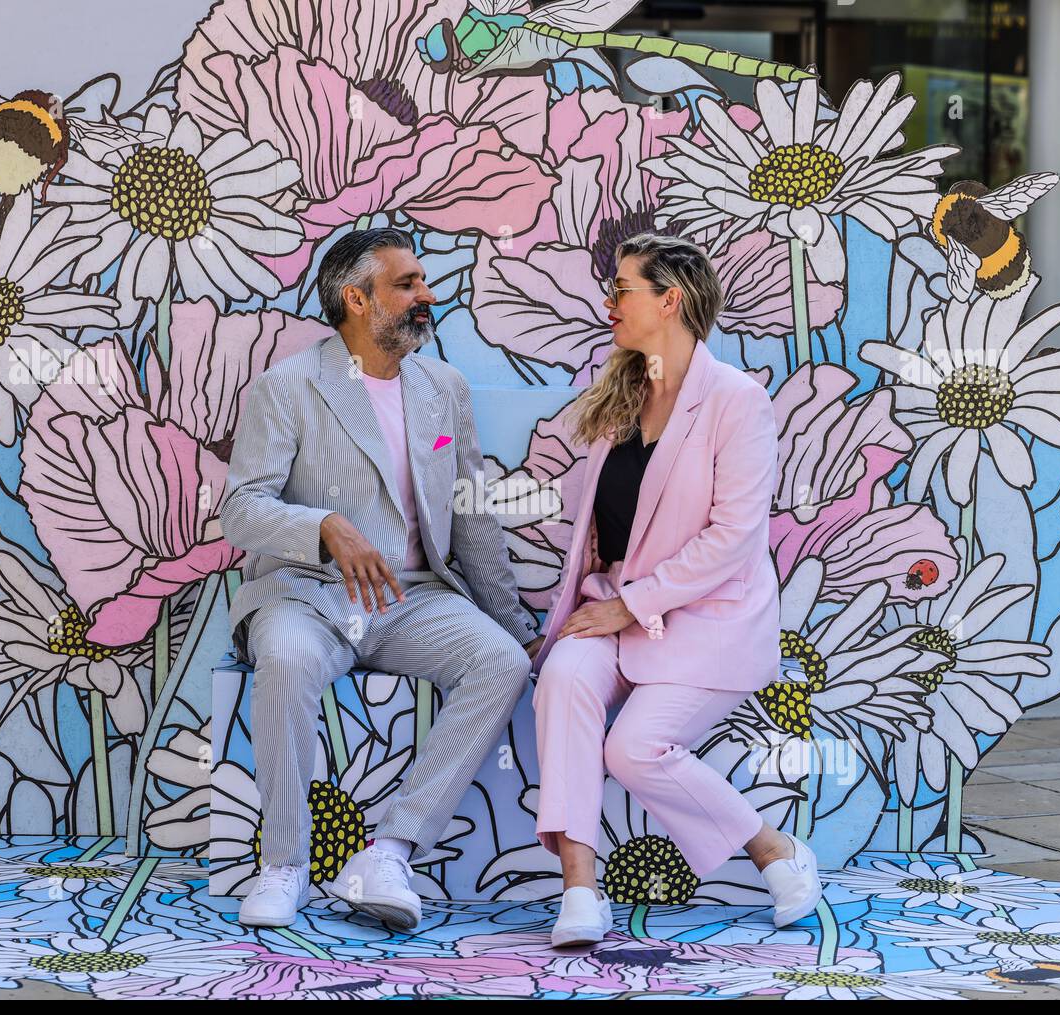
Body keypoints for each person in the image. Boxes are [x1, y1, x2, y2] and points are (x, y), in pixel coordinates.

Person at [219, 228, 542, 930]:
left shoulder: (444, 388)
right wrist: (325, 528)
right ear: (356, 299)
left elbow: (471, 517)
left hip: (412, 597)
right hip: (307, 595)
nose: (426, 296)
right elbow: (241, 510)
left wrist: (517, 626)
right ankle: (284, 864)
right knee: (285, 660)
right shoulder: (289, 387)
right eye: (407, 284)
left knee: (501, 662)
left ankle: (389, 852)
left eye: (422, 282)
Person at [529, 232, 823, 947]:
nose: (609, 303)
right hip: (614, 609)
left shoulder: (736, 401)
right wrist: (598, 603)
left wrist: (629, 605)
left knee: (633, 749)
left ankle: (774, 851)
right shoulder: (621, 394)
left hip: (705, 622)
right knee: (561, 680)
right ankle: (579, 891)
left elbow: (734, 536)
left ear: (670, 299)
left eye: (623, 289)